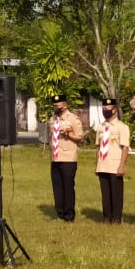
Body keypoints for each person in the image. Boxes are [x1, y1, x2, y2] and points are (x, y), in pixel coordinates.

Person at [48, 94, 84, 222]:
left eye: (58, 105)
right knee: (57, 187)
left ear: (65, 105)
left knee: (68, 187)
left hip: (68, 157)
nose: (55, 107)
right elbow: (50, 136)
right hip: (55, 157)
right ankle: (60, 214)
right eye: (54, 106)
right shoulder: (53, 119)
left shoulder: (73, 119)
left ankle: (69, 215)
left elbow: (80, 137)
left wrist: (68, 134)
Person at [94, 97, 130, 224]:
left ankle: (116, 218)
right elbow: (98, 147)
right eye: (103, 109)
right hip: (103, 164)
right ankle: (106, 216)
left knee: (116, 193)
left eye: (107, 109)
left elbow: (125, 148)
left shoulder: (122, 127)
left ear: (114, 110)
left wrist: (122, 166)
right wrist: (97, 164)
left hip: (115, 164)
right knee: (105, 193)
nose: (105, 111)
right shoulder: (101, 127)